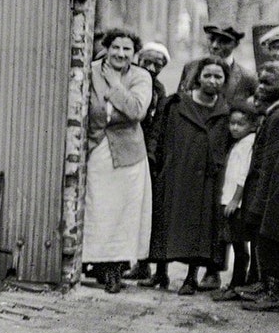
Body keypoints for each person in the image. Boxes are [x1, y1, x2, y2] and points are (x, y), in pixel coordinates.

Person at [148, 57, 232, 294]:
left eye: (218, 77)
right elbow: (159, 133)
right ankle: (160, 273)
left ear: (225, 81)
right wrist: (156, 160)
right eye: (208, 75)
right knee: (166, 218)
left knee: (200, 226)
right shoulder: (176, 104)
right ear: (198, 77)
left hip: (206, 178)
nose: (212, 81)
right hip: (176, 171)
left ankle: (191, 278)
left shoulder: (224, 112)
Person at [81, 30, 154, 293]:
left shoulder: (140, 76)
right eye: (116, 48)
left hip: (128, 153)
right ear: (106, 48)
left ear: (134, 54)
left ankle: (115, 270)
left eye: (127, 50)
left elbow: (136, 110)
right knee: (99, 208)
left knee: (124, 213)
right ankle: (95, 264)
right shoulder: (88, 72)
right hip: (97, 147)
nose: (121, 54)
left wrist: (115, 85)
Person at [225, 63, 279, 308]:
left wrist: (261, 201)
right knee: (264, 242)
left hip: (272, 196)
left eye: (268, 83)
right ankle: (268, 286)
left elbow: (271, 166)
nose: (261, 88)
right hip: (266, 194)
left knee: (272, 243)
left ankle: (275, 293)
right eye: (261, 82)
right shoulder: (274, 114)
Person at [123, 40, 171, 283]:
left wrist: (151, 156)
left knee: (153, 212)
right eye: (147, 62)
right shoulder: (130, 81)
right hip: (129, 149)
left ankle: (156, 269)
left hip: (150, 157)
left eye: (157, 64)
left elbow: (157, 128)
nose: (151, 67)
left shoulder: (159, 91)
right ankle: (138, 264)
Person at [214, 105, 257, 296]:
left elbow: (243, 175)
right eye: (232, 123)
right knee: (234, 242)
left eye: (241, 124)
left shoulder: (249, 142)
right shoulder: (238, 143)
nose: (235, 128)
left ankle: (236, 285)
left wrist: (234, 200)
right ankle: (238, 283)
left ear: (251, 125)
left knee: (240, 246)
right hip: (229, 199)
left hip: (236, 204)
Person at [177, 24, 256, 109]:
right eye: (211, 39)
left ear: (235, 44)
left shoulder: (247, 77)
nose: (214, 46)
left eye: (223, 41)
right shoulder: (190, 67)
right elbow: (178, 103)